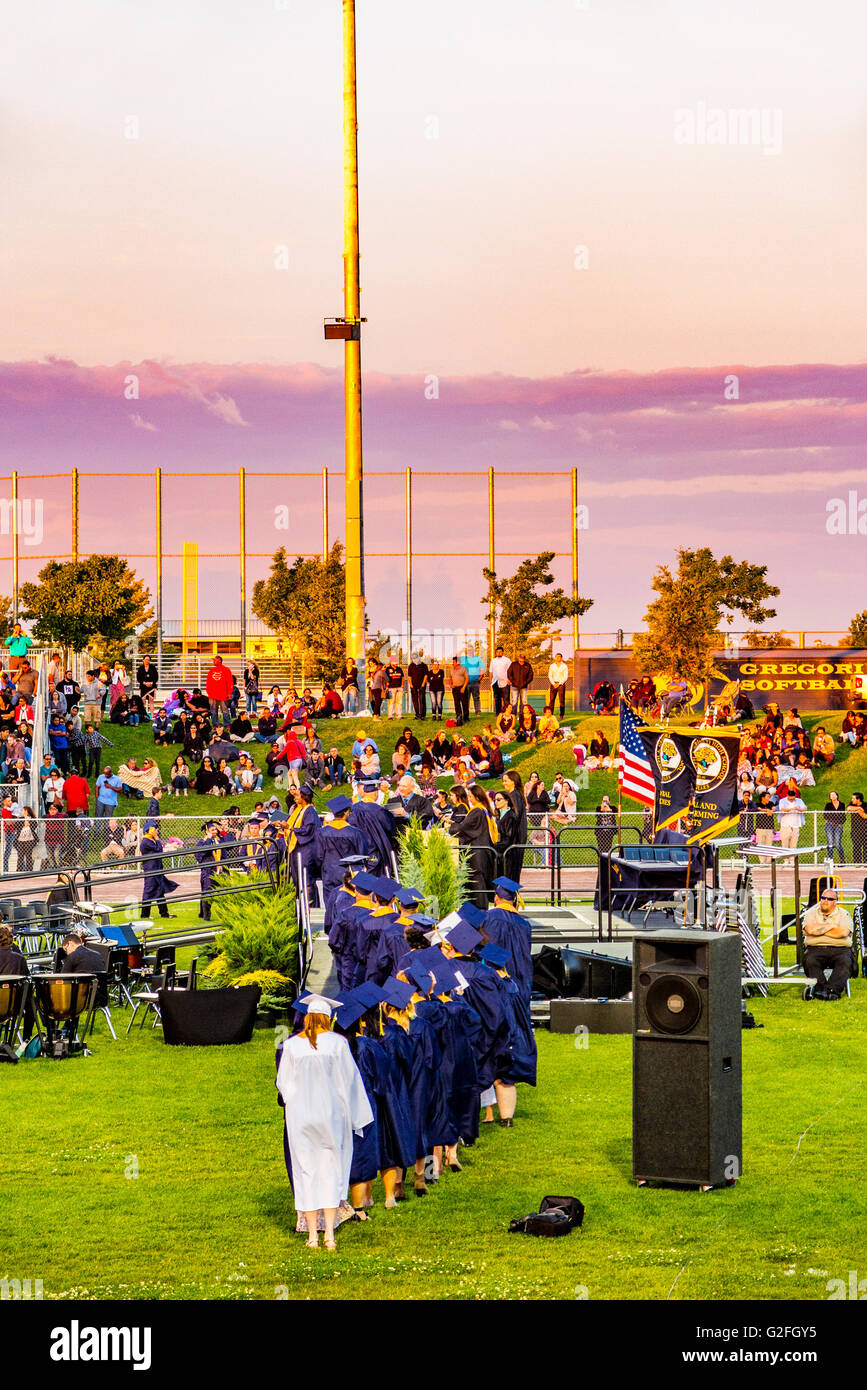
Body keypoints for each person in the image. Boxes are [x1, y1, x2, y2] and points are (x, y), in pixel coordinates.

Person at [275, 995, 373, 1250]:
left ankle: (312, 1236)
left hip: (302, 1117)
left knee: (306, 1170)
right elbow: (351, 1081)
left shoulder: (292, 1045)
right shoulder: (338, 1044)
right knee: (330, 1169)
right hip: (332, 1116)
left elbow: (283, 1084)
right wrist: (357, 1116)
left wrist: (297, 1103)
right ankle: (329, 1233)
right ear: (328, 1018)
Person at [802, 888, 854, 1001]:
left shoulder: (843, 914)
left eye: (829, 899)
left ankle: (832, 991)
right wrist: (831, 926)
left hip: (840, 949)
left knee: (845, 962)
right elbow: (810, 930)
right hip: (815, 948)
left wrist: (819, 929)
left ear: (835, 902)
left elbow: (843, 932)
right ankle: (820, 990)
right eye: (823, 898)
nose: (825, 900)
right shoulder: (811, 913)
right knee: (810, 961)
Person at [139, 824, 179, 919]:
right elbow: (159, 849)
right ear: (150, 830)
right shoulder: (146, 841)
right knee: (148, 891)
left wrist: (156, 839)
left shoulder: (151, 840)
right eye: (155, 830)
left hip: (157, 868)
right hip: (151, 869)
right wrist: (157, 839)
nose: (157, 831)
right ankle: (144, 915)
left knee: (159, 890)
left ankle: (164, 913)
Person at [776, 785, 807, 865]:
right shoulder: (782, 801)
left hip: (795, 825)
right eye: (790, 798)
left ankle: (792, 860)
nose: (791, 799)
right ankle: (785, 860)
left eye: (792, 798)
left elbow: (804, 808)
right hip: (785, 825)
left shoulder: (799, 801)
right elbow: (782, 809)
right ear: (787, 796)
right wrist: (791, 809)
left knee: (794, 844)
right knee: (785, 843)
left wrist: (798, 809)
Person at [205, 656, 234, 726]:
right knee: (213, 710)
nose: (213, 662)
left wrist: (229, 693)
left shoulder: (226, 670)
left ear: (219, 660)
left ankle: (227, 724)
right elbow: (208, 681)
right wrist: (208, 691)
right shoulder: (211, 670)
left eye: (214, 660)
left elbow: (230, 682)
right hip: (212, 694)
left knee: (224, 710)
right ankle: (215, 724)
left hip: (222, 694)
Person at [489, 645, 511, 716]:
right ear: (496, 653)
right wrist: (491, 681)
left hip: (505, 682)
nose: (499, 653)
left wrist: (509, 680)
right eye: (497, 652)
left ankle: (507, 713)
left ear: (503, 652)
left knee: (506, 699)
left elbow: (511, 670)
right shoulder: (493, 661)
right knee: (497, 699)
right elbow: (490, 671)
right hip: (495, 682)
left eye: (500, 652)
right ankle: (498, 713)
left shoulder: (507, 660)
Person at [547, 652, 569, 718]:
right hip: (553, 684)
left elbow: (565, 676)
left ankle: (561, 715)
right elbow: (550, 675)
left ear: (561, 658)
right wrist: (553, 683)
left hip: (561, 684)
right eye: (556, 657)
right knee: (551, 700)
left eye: (559, 657)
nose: (557, 658)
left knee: (561, 700)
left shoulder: (564, 666)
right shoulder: (552, 666)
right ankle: (551, 714)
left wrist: (559, 684)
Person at [449, 655, 470, 726]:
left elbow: (467, 678)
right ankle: (459, 716)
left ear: (458, 662)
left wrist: (463, 687)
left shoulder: (463, 669)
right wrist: (451, 684)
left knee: (464, 703)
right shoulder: (452, 670)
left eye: (454, 662)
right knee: (456, 703)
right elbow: (450, 678)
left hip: (462, 687)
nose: (452, 663)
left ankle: (466, 717)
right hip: (455, 688)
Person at [407, 654, 429, 719]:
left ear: (418, 658)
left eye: (415, 658)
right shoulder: (411, 666)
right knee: (415, 700)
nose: (414, 659)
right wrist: (411, 685)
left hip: (421, 685)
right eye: (413, 658)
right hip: (413, 686)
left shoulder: (423, 665)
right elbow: (409, 676)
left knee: (422, 700)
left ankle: (423, 715)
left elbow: (425, 675)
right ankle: (417, 714)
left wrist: (423, 684)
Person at [848, 792, 867, 863]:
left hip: (865, 830)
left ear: (858, 799)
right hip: (855, 831)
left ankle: (865, 863)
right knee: (856, 847)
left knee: (865, 847)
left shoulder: (866, 805)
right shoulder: (852, 804)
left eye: (853, 798)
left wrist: (858, 811)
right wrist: (858, 808)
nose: (852, 799)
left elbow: (865, 816)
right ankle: (857, 862)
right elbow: (848, 808)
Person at [384, 654, 404, 720]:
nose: (395, 663)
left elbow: (402, 677)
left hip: (399, 687)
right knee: (391, 702)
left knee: (399, 702)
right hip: (391, 687)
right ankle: (390, 715)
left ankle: (399, 715)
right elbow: (385, 677)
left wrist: (402, 685)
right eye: (394, 661)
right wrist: (387, 686)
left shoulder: (399, 669)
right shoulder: (388, 669)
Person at [464, 646, 483, 716]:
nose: (470, 651)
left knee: (476, 698)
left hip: (475, 681)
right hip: (466, 682)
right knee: (466, 699)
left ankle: (478, 712)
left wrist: (480, 677)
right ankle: (466, 713)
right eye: (468, 650)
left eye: (471, 650)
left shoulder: (477, 658)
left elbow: (482, 668)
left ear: (473, 651)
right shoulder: (464, 659)